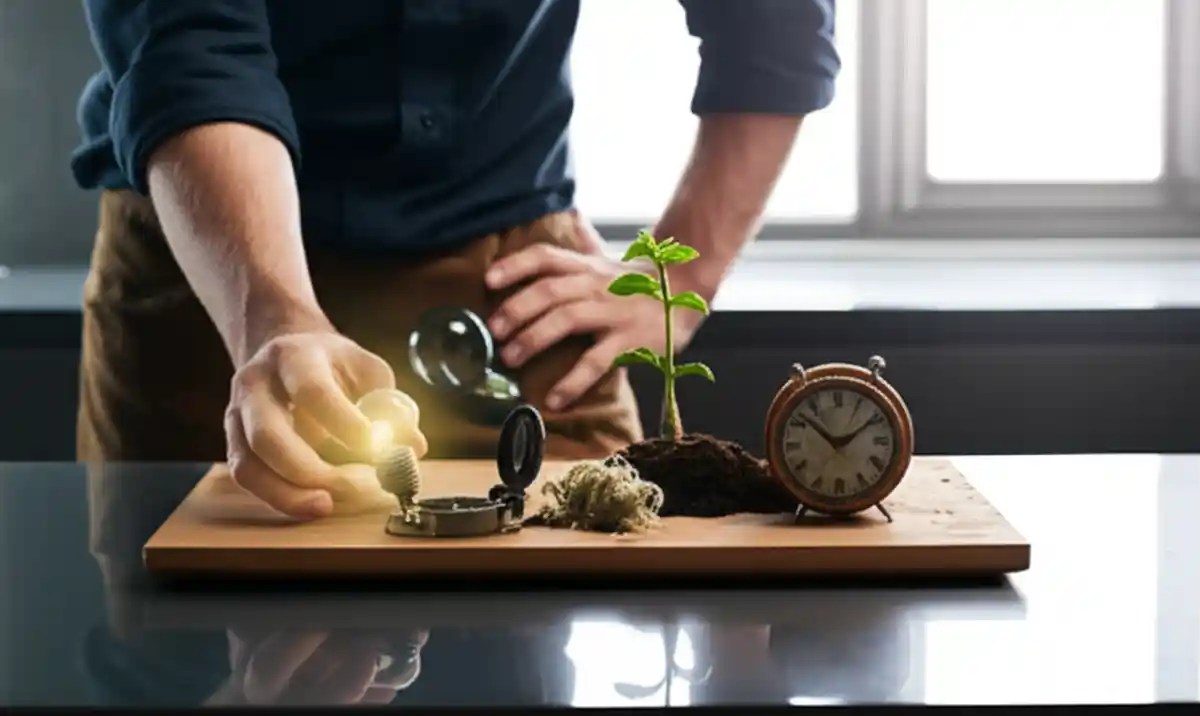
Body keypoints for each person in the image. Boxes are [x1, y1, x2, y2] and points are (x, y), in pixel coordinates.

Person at [71, 0, 840, 520]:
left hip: (520, 302)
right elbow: (190, 46)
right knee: (192, 656)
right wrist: (268, 313)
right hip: (209, 271)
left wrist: (684, 273)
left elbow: (771, 20)